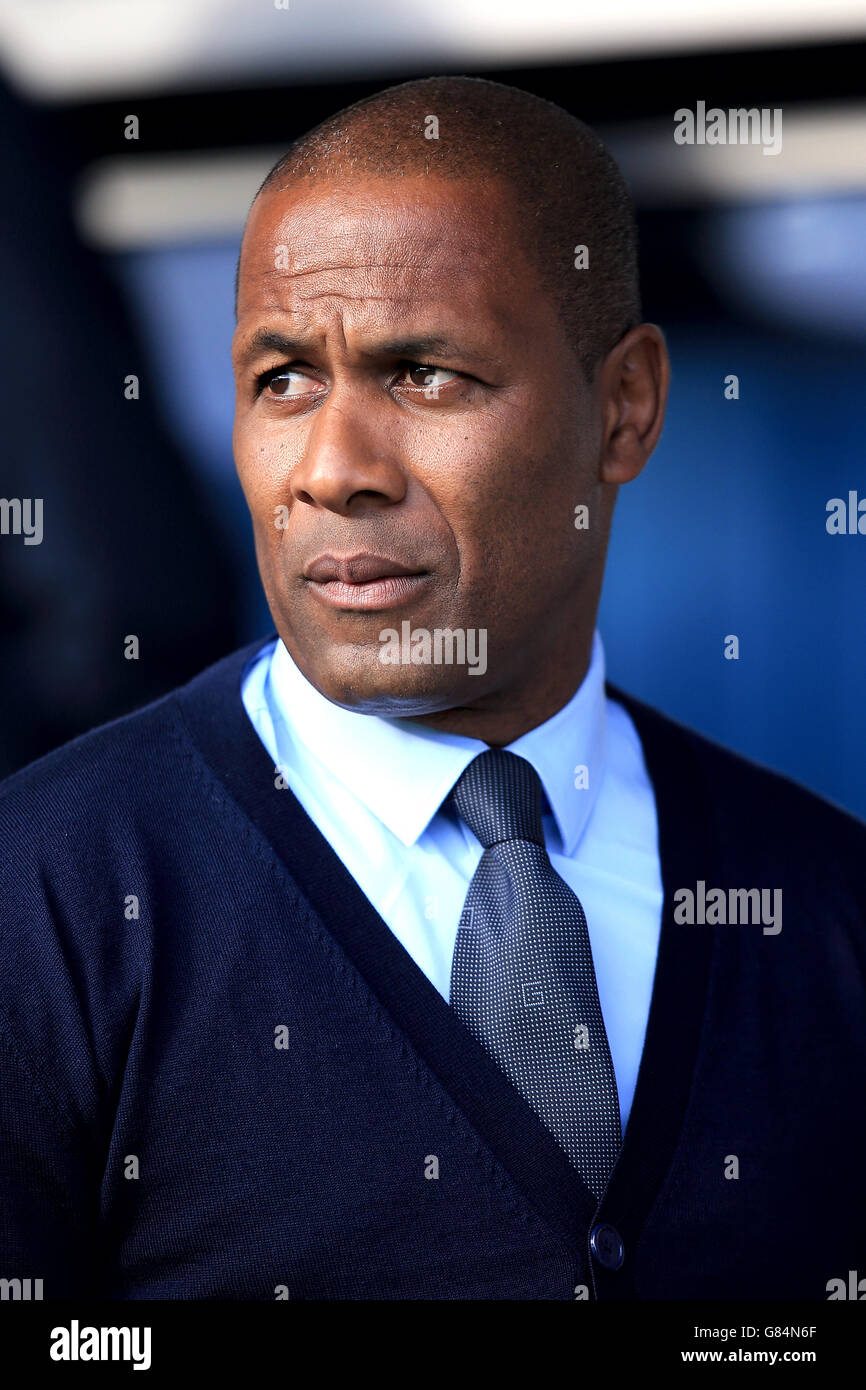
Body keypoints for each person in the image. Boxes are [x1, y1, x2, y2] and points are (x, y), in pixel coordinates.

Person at [1, 75, 864, 1302]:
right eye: (282, 380)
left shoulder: (823, 908)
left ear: (624, 408)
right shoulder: (48, 908)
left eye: (424, 374)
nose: (331, 470)